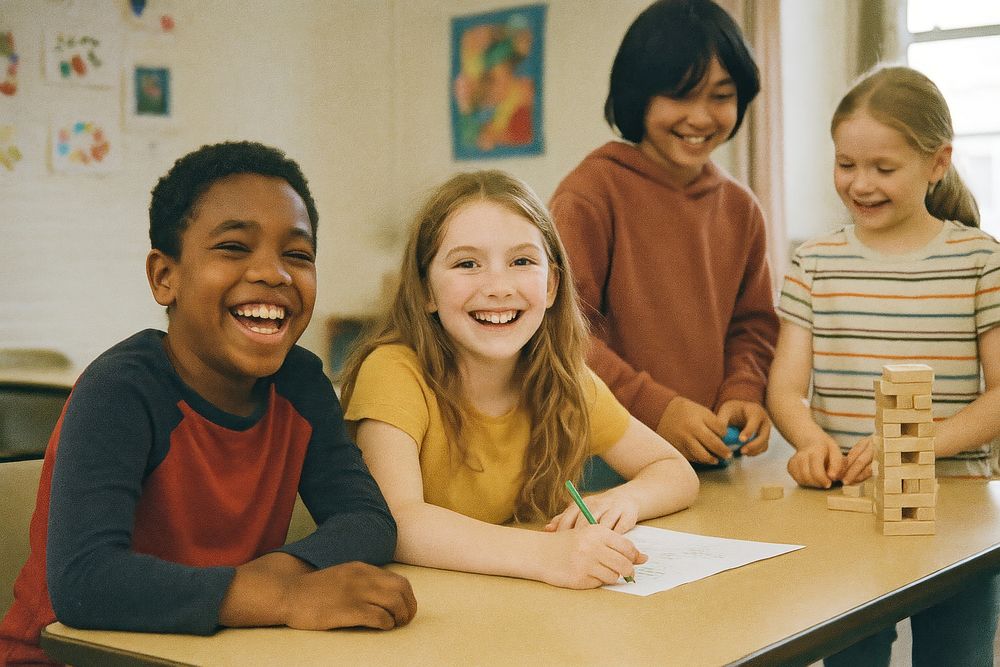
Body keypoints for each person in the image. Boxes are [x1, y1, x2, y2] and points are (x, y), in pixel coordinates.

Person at [0, 141, 416, 665]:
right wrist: (281, 596)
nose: (274, 273)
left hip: (219, 650)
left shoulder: (301, 384)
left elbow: (367, 519)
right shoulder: (121, 391)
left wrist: (280, 577)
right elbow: (86, 583)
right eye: (234, 247)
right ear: (164, 277)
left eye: (298, 254)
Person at [340, 170, 698, 589]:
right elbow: (399, 520)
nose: (498, 286)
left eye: (522, 261)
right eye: (467, 263)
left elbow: (673, 470)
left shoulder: (563, 379)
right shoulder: (393, 372)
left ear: (551, 287)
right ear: (425, 292)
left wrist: (624, 499)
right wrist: (547, 556)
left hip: (513, 605)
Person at [767, 66, 999, 666]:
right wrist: (810, 441)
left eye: (883, 168)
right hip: (851, 505)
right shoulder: (814, 261)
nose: (860, 184)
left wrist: (917, 442)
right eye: (846, 165)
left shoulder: (979, 259)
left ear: (937, 163)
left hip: (957, 512)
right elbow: (787, 390)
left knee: (957, 657)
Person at [549, 0, 778, 481]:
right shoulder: (589, 195)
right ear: (639, 97)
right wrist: (657, 408)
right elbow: (563, 334)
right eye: (680, 95)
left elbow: (751, 327)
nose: (701, 117)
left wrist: (743, 390)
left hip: (709, 459)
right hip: (605, 460)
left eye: (721, 95)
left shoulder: (741, 210)